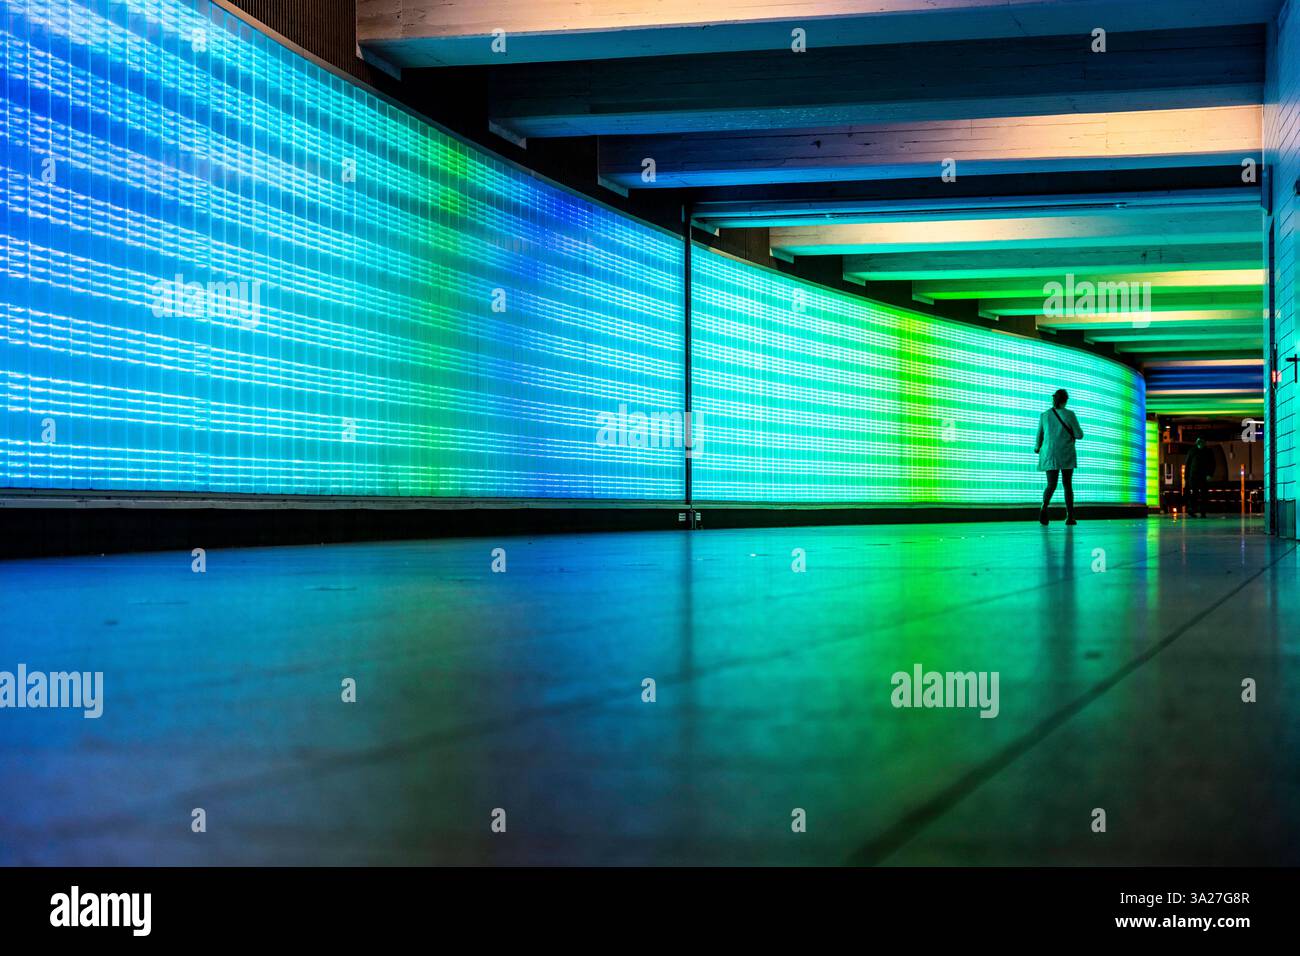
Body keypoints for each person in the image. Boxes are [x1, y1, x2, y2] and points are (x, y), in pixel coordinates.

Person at [1034, 388, 1083, 526]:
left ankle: (1043, 507)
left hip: (1049, 454)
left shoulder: (1045, 415)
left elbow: (1039, 436)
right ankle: (1070, 516)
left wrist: (1037, 447)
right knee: (1067, 485)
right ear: (1065, 400)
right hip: (1065, 453)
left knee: (1051, 484)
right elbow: (1079, 435)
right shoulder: (1069, 414)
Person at [1183, 438, 1212, 518]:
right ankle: (1193, 510)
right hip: (1196, 476)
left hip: (1199, 476)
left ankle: (1199, 511)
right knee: (1197, 494)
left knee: (1202, 494)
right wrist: (1186, 477)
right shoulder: (1205, 451)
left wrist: (1210, 474)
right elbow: (1188, 465)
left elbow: (1188, 465)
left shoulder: (1206, 451)